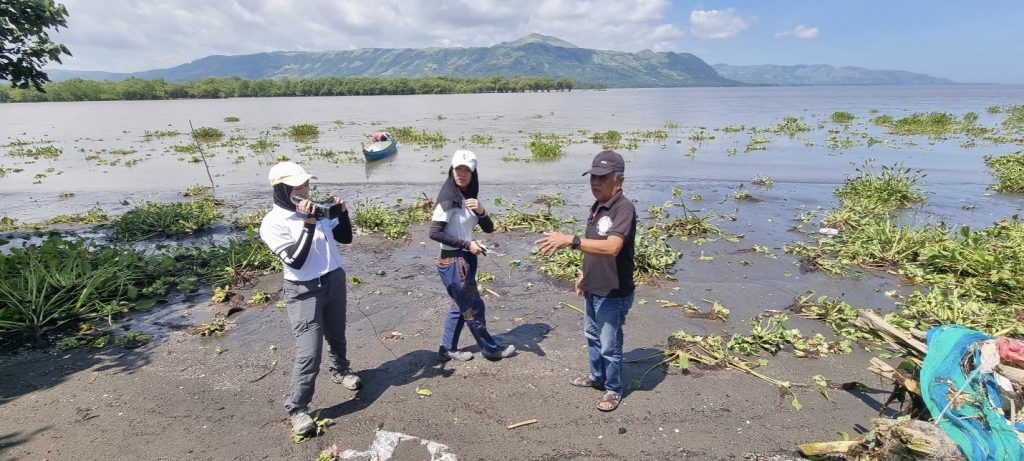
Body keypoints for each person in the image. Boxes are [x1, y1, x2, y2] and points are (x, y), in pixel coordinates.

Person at [258, 161, 361, 436]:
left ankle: (340, 370)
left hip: (333, 280)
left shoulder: (315, 209)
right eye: (296, 186)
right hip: (303, 290)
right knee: (309, 351)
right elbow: (295, 260)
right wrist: (308, 224)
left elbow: (346, 237)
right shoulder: (272, 223)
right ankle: (298, 408)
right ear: (280, 190)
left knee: (337, 333)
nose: (304, 190)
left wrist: (343, 212)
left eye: (305, 184)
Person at [535, 150, 637, 412]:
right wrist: (584, 274)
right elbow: (594, 247)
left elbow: (612, 247)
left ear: (619, 180)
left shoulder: (623, 208)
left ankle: (614, 389)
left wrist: (571, 240)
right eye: (593, 177)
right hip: (594, 286)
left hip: (613, 291)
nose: (595, 182)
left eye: (603, 178)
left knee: (609, 345)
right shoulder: (597, 206)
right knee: (592, 336)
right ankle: (597, 377)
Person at [429, 149, 516, 362]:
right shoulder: (448, 199)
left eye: (467, 170)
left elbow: (488, 228)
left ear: (473, 173)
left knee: (458, 305)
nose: (462, 174)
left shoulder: (468, 198)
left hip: (465, 260)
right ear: (451, 170)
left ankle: (447, 348)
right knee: (474, 307)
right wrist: (467, 244)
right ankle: (491, 350)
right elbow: (434, 233)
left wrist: (482, 211)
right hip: (452, 261)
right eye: (458, 169)